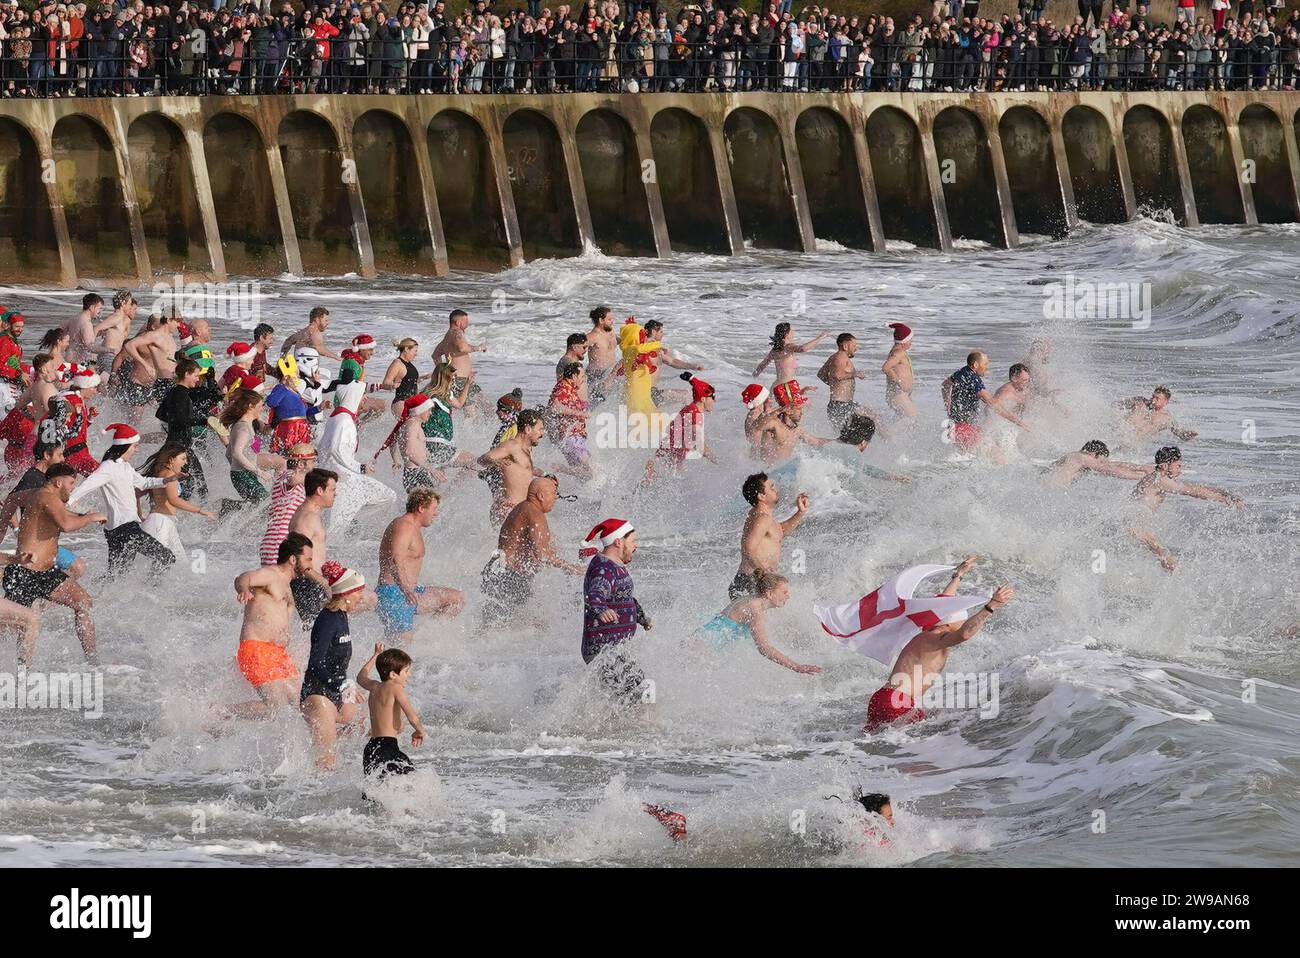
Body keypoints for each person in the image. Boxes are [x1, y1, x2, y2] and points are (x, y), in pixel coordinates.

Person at [867, 562, 1014, 730]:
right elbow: (964, 634)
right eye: (962, 619)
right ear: (951, 623)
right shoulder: (936, 638)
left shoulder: (928, 634)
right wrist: (991, 606)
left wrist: (958, 576)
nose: (964, 622)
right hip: (898, 701)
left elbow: (943, 605)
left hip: (884, 698)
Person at [1, 462, 104, 663]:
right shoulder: (48, 497)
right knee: (13, 627)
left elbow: (11, 499)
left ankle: (92, 661)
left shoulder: (35, 494)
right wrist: (91, 517)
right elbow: (66, 524)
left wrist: (3, 525)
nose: (72, 488)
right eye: (71, 483)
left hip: (44, 573)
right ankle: (21, 674)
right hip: (24, 573)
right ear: (58, 482)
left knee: (83, 602)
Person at [67, 423, 188, 579]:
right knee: (166, 557)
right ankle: (151, 590)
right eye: (134, 446)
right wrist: (67, 502)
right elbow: (87, 485)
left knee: (117, 575)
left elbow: (144, 483)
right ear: (125, 446)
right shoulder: (108, 467)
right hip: (124, 528)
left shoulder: (125, 466)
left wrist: (169, 479)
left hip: (121, 528)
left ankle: (101, 595)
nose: (136, 450)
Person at [224, 532, 316, 719]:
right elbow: (244, 577)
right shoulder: (271, 575)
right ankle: (222, 712)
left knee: (301, 700)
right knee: (275, 708)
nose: (310, 565)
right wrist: (243, 589)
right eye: (308, 559)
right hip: (256, 649)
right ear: (292, 559)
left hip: (277, 654)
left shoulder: (287, 585)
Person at [481, 476, 584, 627]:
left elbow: (542, 548)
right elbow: (543, 555)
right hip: (509, 577)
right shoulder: (535, 514)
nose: (556, 497)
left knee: (510, 626)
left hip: (501, 573)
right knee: (516, 626)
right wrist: (572, 568)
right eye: (554, 493)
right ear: (541, 496)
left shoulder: (525, 508)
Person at [1128, 446, 1244, 572]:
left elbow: (1195, 487)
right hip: (1138, 527)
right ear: (1165, 466)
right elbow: (1195, 492)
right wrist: (1225, 500)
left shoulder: (1153, 476)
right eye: (1178, 466)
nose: (1180, 471)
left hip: (1133, 524)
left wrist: (1224, 493)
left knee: (1163, 563)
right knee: (1172, 565)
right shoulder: (1161, 480)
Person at [301, 560, 367, 770]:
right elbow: (315, 664)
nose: (362, 597)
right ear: (347, 594)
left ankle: (325, 742)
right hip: (318, 693)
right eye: (359, 592)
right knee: (326, 763)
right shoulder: (328, 620)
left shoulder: (342, 616)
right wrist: (341, 684)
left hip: (337, 689)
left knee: (369, 724)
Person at [376, 489, 464, 643]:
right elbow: (396, 559)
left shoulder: (413, 527)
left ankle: (425, 640)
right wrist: (406, 589)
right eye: (434, 509)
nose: (436, 514)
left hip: (409, 593)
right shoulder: (404, 525)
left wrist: (409, 590)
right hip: (394, 594)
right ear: (421, 508)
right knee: (401, 652)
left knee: (456, 599)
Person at [580, 519, 653, 706]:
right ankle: (643, 730)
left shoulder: (613, 567)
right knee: (642, 693)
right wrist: (601, 609)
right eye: (633, 541)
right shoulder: (605, 569)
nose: (636, 546)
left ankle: (621, 728)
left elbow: (625, 598)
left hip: (613, 650)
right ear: (618, 542)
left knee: (632, 695)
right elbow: (595, 593)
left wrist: (641, 618)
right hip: (603, 651)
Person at [699, 570, 821, 674]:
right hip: (701, 651)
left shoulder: (750, 601)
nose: (788, 596)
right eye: (784, 592)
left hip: (699, 645)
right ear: (769, 593)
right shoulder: (755, 610)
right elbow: (764, 648)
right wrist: (797, 666)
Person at [317, 375, 395, 530]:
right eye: (363, 398)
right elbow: (335, 449)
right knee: (334, 532)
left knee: (388, 496)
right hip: (344, 480)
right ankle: (350, 522)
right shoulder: (345, 420)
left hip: (339, 477)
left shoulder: (337, 417)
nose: (364, 401)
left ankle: (351, 521)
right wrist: (359, 467)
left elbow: (324, 448)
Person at [356, 644, 426, 786]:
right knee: (411, 784)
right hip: (388, 748)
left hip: (372, 748)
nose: (409, 675)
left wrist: (376, 655)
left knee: (376, 792)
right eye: (406, 671)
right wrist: (420, 731)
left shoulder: (374, 686)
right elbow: (413, 717)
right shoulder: (396, 688)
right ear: (393, 674)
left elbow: (360, 676)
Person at [732, 473, 809, 601]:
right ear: (761, 496)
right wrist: (764, 575)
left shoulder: (763, 517)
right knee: (760, 621)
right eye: (771, 487)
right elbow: (748, 549)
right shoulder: (762, 518)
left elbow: (780, 531)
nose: (776, 490)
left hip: (753, 580)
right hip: (751, 581)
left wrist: (800, 512)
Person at [138, 443, 217, 562]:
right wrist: (200, 510)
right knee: (160, 565)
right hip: (160, 523)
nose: (185, 462)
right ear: (171, 459)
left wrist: (139, 514)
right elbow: (173, 499)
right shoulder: (169, 475)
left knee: (179, 564)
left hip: (165, 522)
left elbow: (137, 494)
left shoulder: (162, 474)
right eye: (183, 458)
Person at [940, 352, 1029, 454]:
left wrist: (948, 406)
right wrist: (1019, 422)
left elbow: (945, 384)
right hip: (964, 429)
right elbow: (993, 404)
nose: (987, 368)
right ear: (975, 365)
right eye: (985, 364)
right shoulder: (974, 380)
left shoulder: (962, 371)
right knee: (998, 456)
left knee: (970, 457)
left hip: (954, 427)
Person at [643, 372, 718, 482]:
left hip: (664, 460)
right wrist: (718, 461)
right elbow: (699, 444)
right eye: (713, 397)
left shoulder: (691, 408)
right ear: (703, 399)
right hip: (665, 464)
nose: (714, 401)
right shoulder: (694, 415)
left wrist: (692, 379)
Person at [287, 468, 338, 625]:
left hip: (313, 582)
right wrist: (324, 583)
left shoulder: (312, 514)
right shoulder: (307, 518)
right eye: (332, 489)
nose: (335, 494)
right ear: (320, 490)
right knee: (317, 632)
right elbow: (298, 558)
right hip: (308, 583)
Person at [477, 408, 545, 526]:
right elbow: (482, 459)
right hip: (508, 510)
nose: (542, 434)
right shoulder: (512, 445)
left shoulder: (526, 449)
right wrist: (497, 462)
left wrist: (541, 474)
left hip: (520, 511)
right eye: (540, 429)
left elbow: (517, 471)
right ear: (528, 429)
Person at [218, 388, 281, 516]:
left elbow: (229, 453)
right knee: (264, 504)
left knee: (259, 504)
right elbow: (236, 453)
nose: (262, 408)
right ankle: (229, 506)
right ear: (250, 406)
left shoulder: (246, 424)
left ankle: (230, 507)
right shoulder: (243, 428)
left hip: (243, 474)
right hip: (242, 476)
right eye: (260, 406)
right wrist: (259, 472)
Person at [155, 359, 211, 498]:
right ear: (187, 374)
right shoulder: (182, 394)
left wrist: (174, 420)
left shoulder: (173, 391)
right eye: (196, 375)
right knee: (195, 484)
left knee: (193, 482)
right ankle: (184, 514)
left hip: (175, 444)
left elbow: (160, 414)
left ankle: (182, 512)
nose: (198, 379)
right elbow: (181, 419)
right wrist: (204, 421)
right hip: (179, 447)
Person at [259, 444, 317, 566]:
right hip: (278, 543)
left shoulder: (286, 476)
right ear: (301, 464)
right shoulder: (288, 475)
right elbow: (293, 479)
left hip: (280, 542)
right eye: (312, 461)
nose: (314, 465)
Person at [754, 380, 836, 465]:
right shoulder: (775, 424)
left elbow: (816, 442)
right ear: (788, 411)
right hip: (766, 472)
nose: (802, 413)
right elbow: (756, 425)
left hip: (781, 472)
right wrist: (779, 410)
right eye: (799, 409)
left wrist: (838, 441)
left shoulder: (796, 429)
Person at [377, 393, 440, 492]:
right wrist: (430, 468)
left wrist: (396, 460)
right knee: (431, 504)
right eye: (429, 410)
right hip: (416, 473)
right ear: (421, 410)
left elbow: (392, 441)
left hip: (411, 473)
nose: (430, 413)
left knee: (423, 504)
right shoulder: (413, 425)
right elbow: (408, 451)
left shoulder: (407, 423)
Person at [548, 362, 593, 481]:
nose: (584, 379)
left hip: (573, 437)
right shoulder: (564, 387)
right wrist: (580, 413)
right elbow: (555, 407)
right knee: (589, 471)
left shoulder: (571, 388)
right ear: (574, 376)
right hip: (571, 437)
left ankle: (582, 495)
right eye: (582, 376)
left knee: (584, 474)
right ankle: (559, 468)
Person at [817, 333, 869, 433]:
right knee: (874, 419)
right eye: (854, 346)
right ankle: (889, 443)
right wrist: (855, 374)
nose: (856, 349)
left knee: (850, 435)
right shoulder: (840, 357)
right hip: (841, 405)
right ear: (845, 346)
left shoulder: (836, 357)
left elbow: (821, 374)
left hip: (842, 405)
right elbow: (838, 375)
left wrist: (834, 384)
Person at [430, 308, 486, 400]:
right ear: (457, 322)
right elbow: (462, 348)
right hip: (461, 380)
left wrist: (442, 373)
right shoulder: (457, 332)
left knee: (483, 404)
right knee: (473, 410)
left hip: (455, 379)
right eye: (465, 321)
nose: (467, 324)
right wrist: (479, 348)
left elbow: (435, 355)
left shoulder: (448, 336)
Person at [754, 322, 828, 389]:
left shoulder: (774, 350)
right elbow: (803, 349)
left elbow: (762, 365)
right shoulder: (788, 347)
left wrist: (753, 377)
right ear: (786, 334)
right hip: (786, 387)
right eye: (791, 331)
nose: (793, 333)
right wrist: (820, 338)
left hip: (776, 386)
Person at [1046, 440, 1151, 487]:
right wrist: (1141, 476)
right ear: (1095, 454)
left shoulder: (1073, 456)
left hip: (1048, 488)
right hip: (1054, 490)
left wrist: (1139, 467)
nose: (1102, 462)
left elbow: (1114, 464)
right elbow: (1111, 470)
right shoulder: (1084, 458)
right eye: (1101, 459)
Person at [1122, 386, 1198, 442]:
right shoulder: (1139, 402)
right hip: (1118, 437)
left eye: (1157, 398)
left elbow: (1181, 435)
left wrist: (1188, 434)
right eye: (1152, 397)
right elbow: (1115, 406)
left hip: (1132, 447)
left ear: (1166, 402)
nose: (1153, 401)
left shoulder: (1167, 418)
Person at [881, 322, 917, 418]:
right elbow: (885, 368)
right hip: (898, 394)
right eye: (910, 340)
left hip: (900, 394)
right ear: (904, 341)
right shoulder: (899, 353)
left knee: (902, 420)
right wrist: (899, 381)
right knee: (912, 419)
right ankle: (885, 431)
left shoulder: (897, 352)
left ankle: (885, 431)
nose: (911, 343)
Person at [584, 306, 618, 405]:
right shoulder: (592, 336)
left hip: (611, 374)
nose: (613, 321)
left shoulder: (611, 333)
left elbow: (622, 342)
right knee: (591, 405)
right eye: (610, 319)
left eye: (613, 319)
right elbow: (576, 349)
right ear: (601, 320)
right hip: (595, 375)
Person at [62, 292, 105, 364]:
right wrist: (110, 350)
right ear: (91, 307)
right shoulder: (86, 323)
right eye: (99, 308)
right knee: (103, 374)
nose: (100, 311)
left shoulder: (74, 318)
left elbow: (60, 333)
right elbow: (91, 347)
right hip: (78, 363)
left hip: (69, 358)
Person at [383, 337, 422, 411]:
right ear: (407, 349)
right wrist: (392, 386)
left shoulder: (409, 364)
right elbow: (385, 383)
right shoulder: (397, 363)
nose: (416, 354)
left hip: (411, 402)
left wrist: (427, 377)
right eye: (415, 351)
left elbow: (410, 381)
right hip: (401, 403)